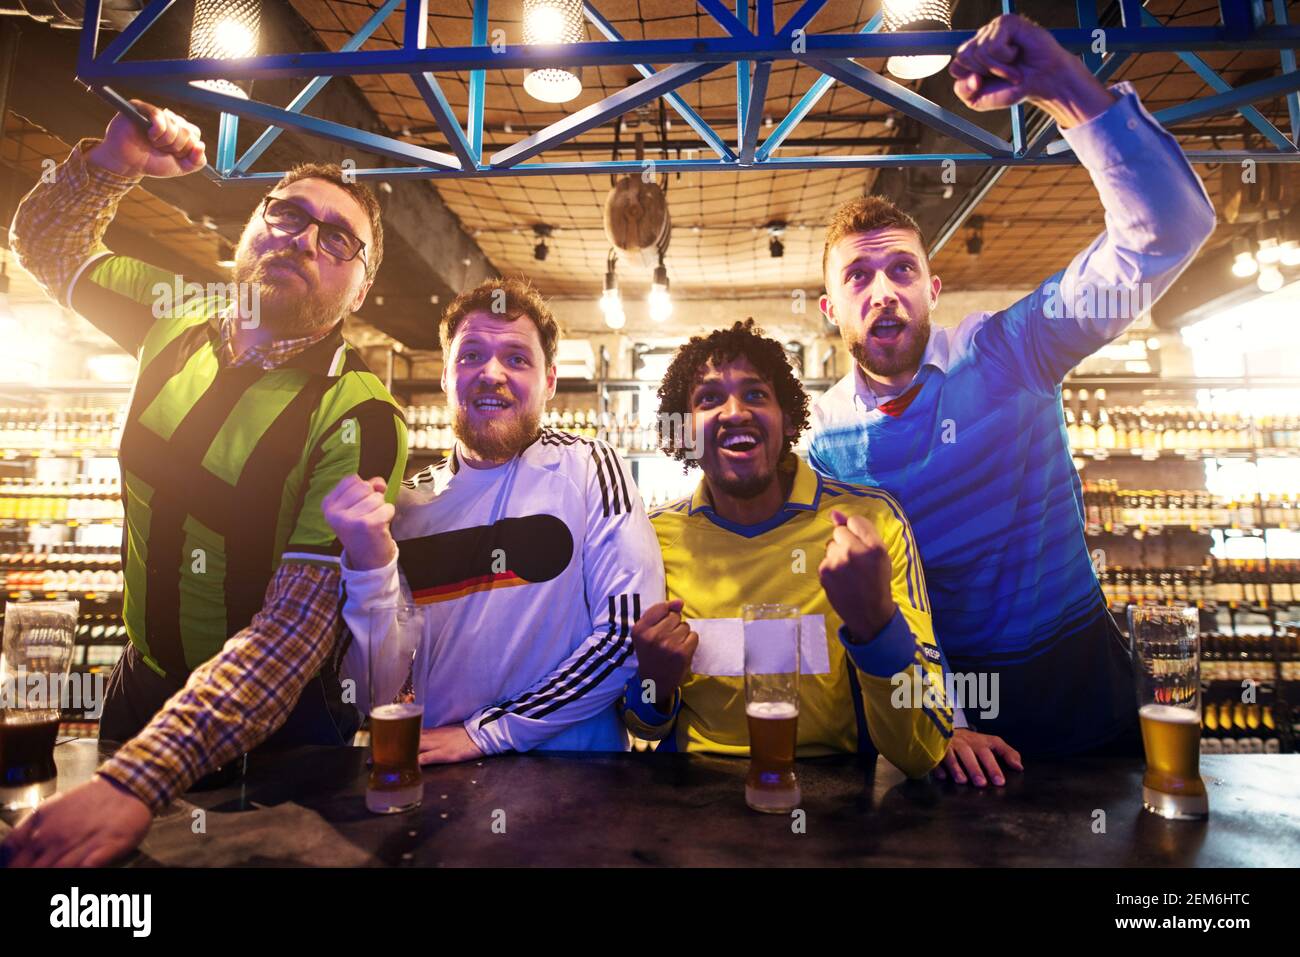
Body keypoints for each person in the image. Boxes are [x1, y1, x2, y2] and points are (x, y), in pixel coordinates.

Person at [809, 14, 1216, 782]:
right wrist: (946, 716)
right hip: (941, 733)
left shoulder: (1012, 351)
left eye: (900, 270)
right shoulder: (825, 437)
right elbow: (868, 603)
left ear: (933, 288)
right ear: (830, 309)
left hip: (1086, 701)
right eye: (858, 277)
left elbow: (1168, 227)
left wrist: (1071, 91)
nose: (883, 290)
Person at [1, 101, 406, 866]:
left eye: (338, 238)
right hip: (135, 693)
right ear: (251, 227)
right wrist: (112, 164)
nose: (303, 238)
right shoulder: (175, 314)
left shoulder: (361, 415)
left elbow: (291, 634)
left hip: (281, 735)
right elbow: (46, 244)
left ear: (358, 291)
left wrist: (139, 777)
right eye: (286, 214)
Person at [324, 279, 664, 761]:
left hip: (580, 787)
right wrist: (371, 564)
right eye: (471, 356)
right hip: (445, 790)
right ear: (445, 376)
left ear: (549, 381)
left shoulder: (589, 467)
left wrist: (485, 734)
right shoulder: (407, 507)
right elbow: (370, 693)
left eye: (517, 358)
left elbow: (624, 640)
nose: (492, 373)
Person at [620, 320, 952, 778]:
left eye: (756, 394)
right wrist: (654, 685)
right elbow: (640, 727)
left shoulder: (870, 523)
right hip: (690, 809)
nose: (734, 412)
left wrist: (877, 625)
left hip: (838, 807)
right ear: (683, 434)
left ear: (790, 419)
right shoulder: (651, 538)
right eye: (709, 399)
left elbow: (923, 752)